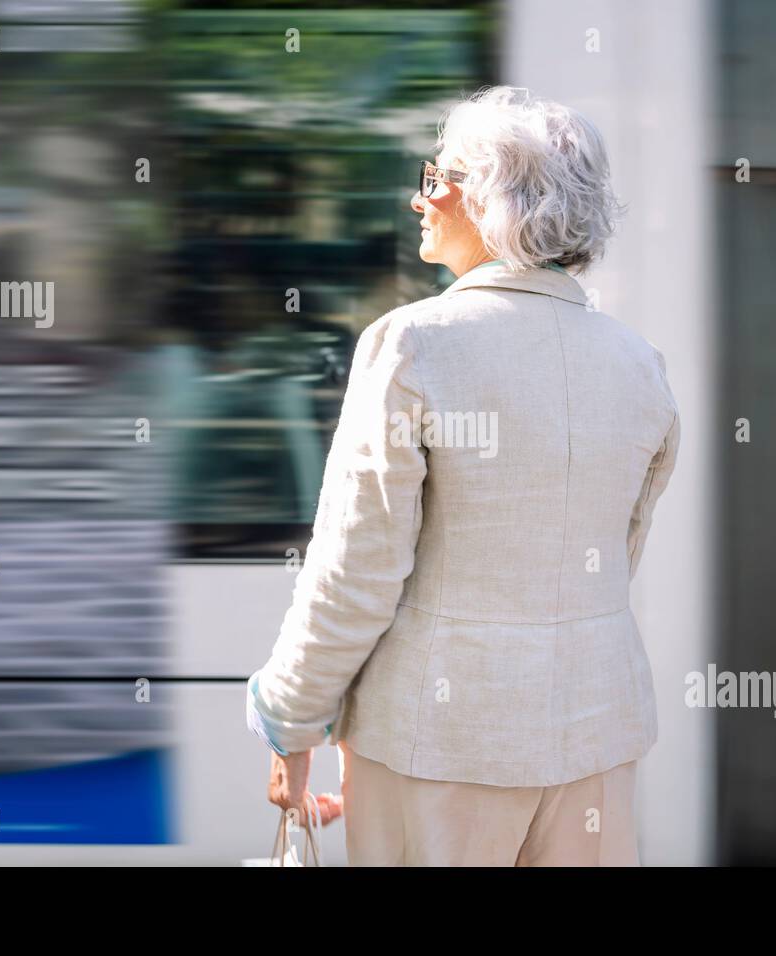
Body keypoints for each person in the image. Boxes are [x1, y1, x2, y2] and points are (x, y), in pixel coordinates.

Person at [245, 86, 681, 866]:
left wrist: (290, 720)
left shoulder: (414, 345)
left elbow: (356, 569)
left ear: (493, 199)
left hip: (438, 748)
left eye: (438, 175)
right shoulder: (639, 365)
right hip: (597, 739)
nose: (420, 197)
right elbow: (612, 561)